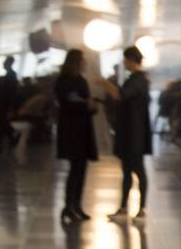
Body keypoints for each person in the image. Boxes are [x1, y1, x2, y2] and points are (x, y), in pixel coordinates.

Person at [105, 46, 152, 220]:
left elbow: (120, 95)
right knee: (127, 170)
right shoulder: (138, 79)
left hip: (134, 133)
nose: (124, 63)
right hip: (130, 132)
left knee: (137, 169)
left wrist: (104, 83)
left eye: (126, 60)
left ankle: (141, 209)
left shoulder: (138, 80)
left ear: (132, 59)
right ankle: (124, 207)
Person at [54, 49, 98, 223]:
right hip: (72, 130)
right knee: (75, 168)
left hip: (82, 128)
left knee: (80, 168)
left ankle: (75, 204)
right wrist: (84, 104)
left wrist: (90, 105)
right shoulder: (64, 81)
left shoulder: (80, 80)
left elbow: (85, 103)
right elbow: (66, 102)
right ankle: (70, 205)